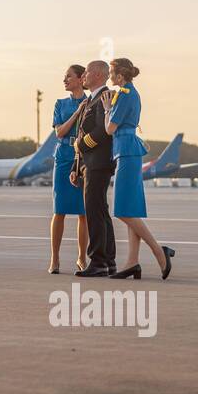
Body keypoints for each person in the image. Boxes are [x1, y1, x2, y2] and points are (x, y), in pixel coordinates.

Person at [100, 57, 177, 280]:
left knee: (122, 211)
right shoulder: (128, 92)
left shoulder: (124, 95)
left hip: (126, 151)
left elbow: (109, 129)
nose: (110, 76)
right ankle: (132, 262)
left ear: (120, 77)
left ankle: (158, 251)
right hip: (127, 151)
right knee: (130, 209)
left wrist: (107, 109)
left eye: (112, 72)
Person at [72, 60, 118, 277]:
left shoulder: (105, 97)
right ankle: (108, 261)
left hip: (99, 163)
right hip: (88, 163)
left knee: (94, 213)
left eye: (87, 72)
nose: (84, 76)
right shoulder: (91, 99)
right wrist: (76, 165)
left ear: (99, 75)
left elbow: (103, 131)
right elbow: (82, 132)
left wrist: (82, 145)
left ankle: (98, 262)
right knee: (100, 211)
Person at [48, 64, 89, 274]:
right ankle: (54, 258)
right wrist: (75, 115)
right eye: (64, 77)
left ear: (81, 78)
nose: (64, 80)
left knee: (83, 211)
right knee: (60, 210)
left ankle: (82, 257)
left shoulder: (92, 101)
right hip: (64, 157)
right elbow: (60, 132)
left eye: (68, 77)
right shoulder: (61, 104)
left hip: (84, 157)